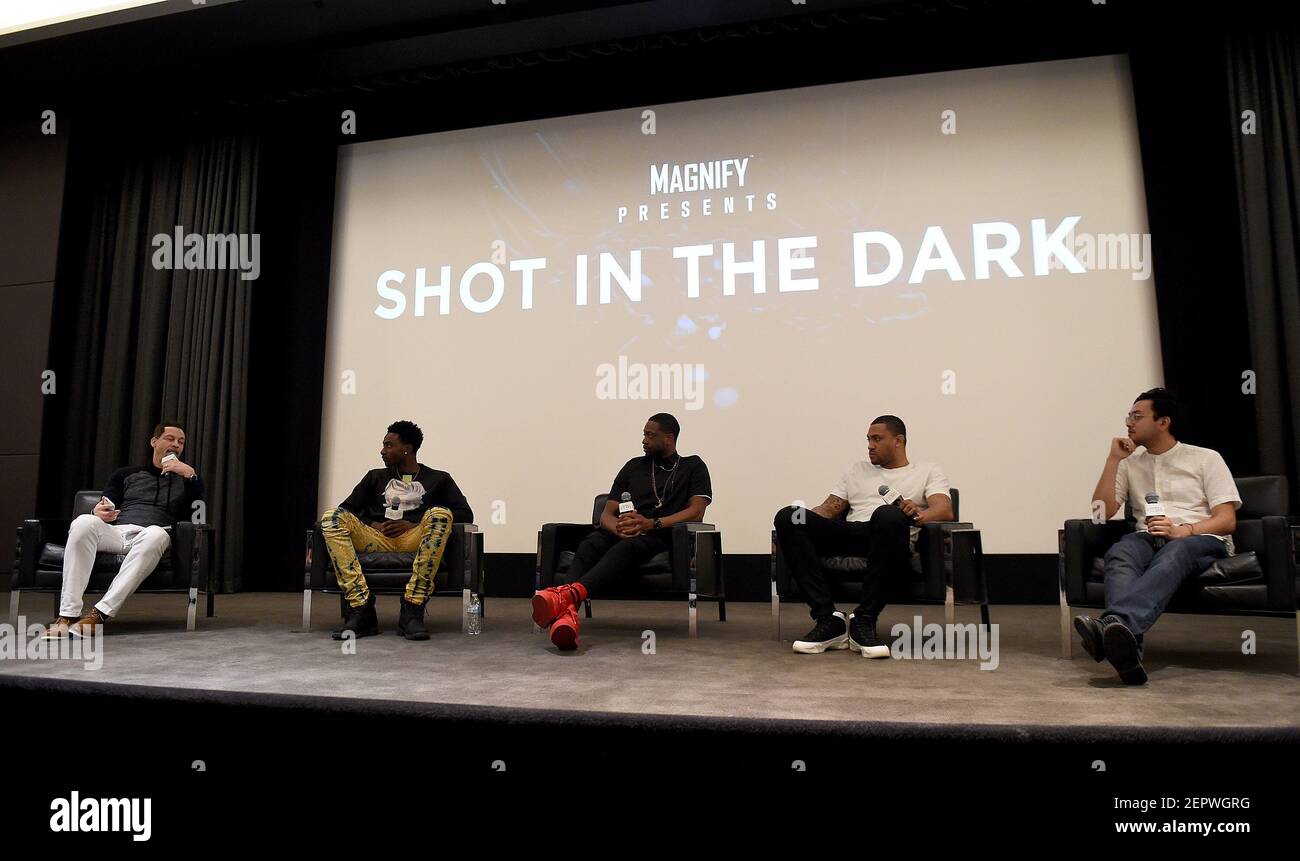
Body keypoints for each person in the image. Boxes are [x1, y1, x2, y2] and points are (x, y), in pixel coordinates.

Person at [1074, 388, 1239, 685]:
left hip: (1199, 538)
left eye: (1137, 416)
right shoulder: (1129, 463)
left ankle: (1114, 625)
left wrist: (1183, 531)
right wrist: (1113, 460)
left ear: (1163, 422)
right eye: (1129, 416)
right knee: (1120, 553)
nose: (1129, 423)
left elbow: (1226, 521)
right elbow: (1100, 514)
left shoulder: (1205, 458)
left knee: (1174, 552)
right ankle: (1125, 647)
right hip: (1146, 536)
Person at [773, 415, 952, 658]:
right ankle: (829, 621)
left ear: (898, 441)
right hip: (852, 532)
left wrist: (918, 514)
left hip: (889, 535)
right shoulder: (857, 470)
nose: (870, 445)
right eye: (868, 439)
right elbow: (828, 509)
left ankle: (864, 620)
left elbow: (943, 508)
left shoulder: (927, 471)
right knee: (789, 516)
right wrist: (804, 523)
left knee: (888, 514)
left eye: (877, 439)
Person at [531, 413, 712, 651]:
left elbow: (696, 512)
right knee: (590, 544)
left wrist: (652, 523)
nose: (644, 440)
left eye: (650, 435)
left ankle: (565, 597)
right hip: (622, 530)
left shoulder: (693, 466)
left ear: (669, 439)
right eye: (643, 434)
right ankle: (568, 613)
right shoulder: (633, 466)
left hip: (660, 534)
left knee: (628, 547)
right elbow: (607, 513)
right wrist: (616, 527)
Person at [44, 422, 204, 639]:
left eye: (181, 442)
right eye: (170, 438)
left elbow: (198, 518)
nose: (176, 444)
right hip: (118, 532)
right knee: (83, 522)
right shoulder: (126, 474)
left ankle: (98, 615)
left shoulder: (187, 479)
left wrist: (191, 476)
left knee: (156, 533)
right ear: (154, 441)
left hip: (153, 535)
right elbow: (107, 502)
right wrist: (98, 511)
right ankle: (68, 615)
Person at [319, 420, 472, 641]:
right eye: (383, 445)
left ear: (407, 448)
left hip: (414, 539)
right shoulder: (375, 477)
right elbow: (347, 509)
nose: (383, 451)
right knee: (332, 517)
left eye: (389, 445)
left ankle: (412, 608)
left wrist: (417, 524)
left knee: (441, 513)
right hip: (376, 538)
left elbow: (465, 513)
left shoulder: (438, 479)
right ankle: (361, 608)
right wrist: (373, 525)